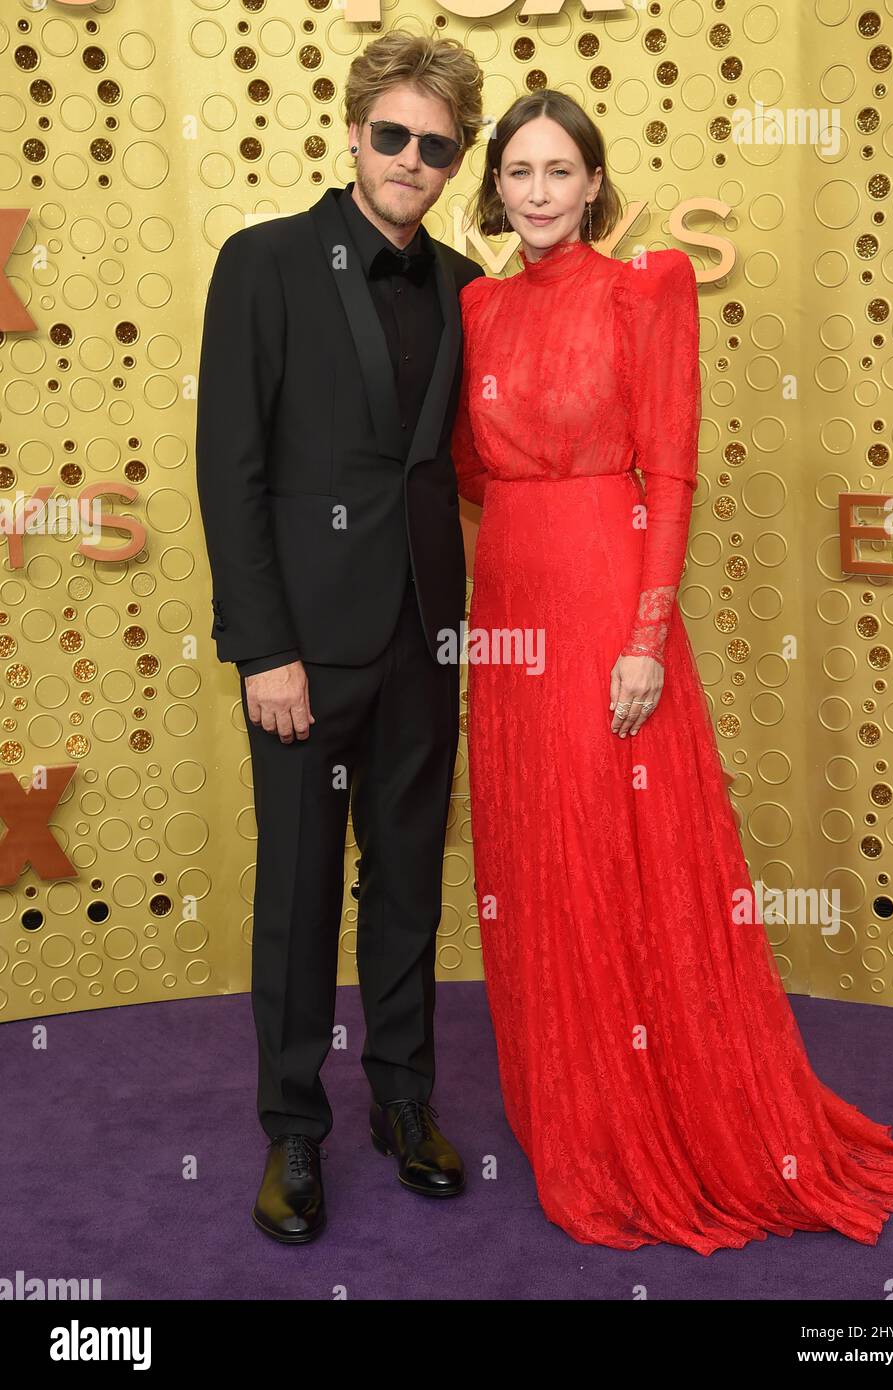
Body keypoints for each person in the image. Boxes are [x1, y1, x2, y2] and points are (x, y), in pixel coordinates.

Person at [451, 90, 893, 1255]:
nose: (541, 192)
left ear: (596, 185)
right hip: (508, 601)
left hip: (606, 605)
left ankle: (656, 1117)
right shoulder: (473, 303)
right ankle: (572, 1115)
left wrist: (644, 635)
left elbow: (669, 470)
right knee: (537, 858)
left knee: (617, 853)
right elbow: (465, 466)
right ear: (495, 187)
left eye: (562, 171)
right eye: (520, 172)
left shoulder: (645, 286)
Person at [195, 31, 485, 1244]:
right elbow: (231, 465)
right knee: (302, 892)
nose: (412, 160)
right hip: (303, 655)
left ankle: (404, 1102)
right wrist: (263, 647)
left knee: (409, 887)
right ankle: (294, 1126)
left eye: (437, 145)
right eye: (394, 136)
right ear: (353, 131)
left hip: (428, 638)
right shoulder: (261, 263)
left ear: (455, 159)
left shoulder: (473, 286)